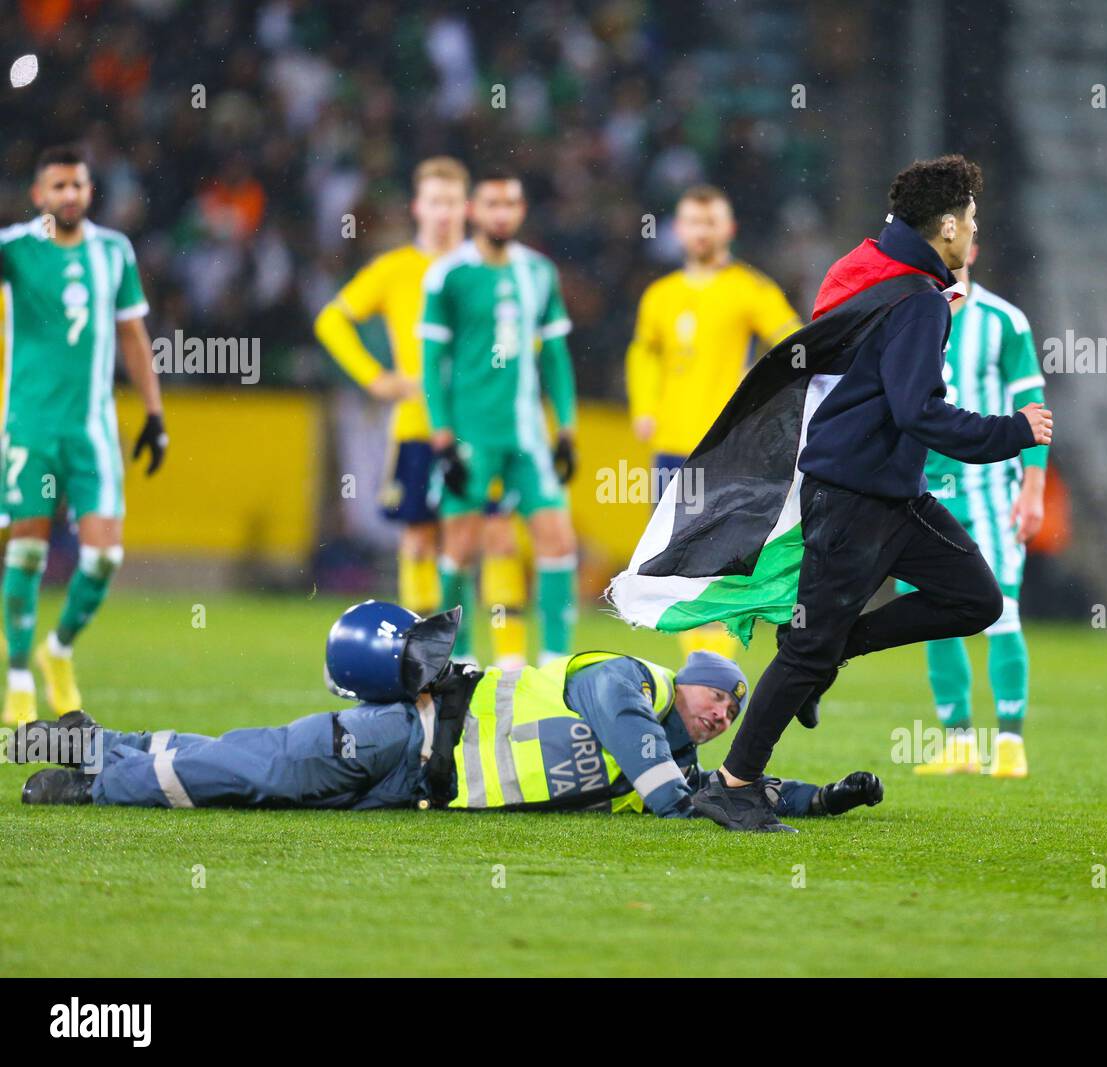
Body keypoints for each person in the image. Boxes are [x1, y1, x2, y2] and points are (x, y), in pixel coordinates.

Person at [690, 155, 1052, 831]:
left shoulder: (882, 276)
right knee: (803, 652)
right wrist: (1013, 430)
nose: (976, 232)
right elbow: (919, 411)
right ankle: (733, 784)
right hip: (856, 494)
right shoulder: (918, 301)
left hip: (893, 491)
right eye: (970, 219)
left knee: (974, 596)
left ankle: (841, 645)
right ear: (945, 226)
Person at [14, 601, 883, 825]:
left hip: (414, 789)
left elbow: (735, 787)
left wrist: (818, 797)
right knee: (260, 768)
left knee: (254, 775)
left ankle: (95, 743)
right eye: (721, 697)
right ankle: (88, 784)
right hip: (416, 727)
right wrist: (667, 790)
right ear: (688, 676)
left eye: (734, 708)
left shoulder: (677, 759)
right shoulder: (629, 678)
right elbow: (621, 721)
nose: (725, 715)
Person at [313, 158, 529, 664]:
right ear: (418, 207)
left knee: (495, 533)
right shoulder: (395, 270)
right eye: (434, 202)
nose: (443, 213)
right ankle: (431, 661)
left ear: (467, 208)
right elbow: (332, 321)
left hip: (482, 427)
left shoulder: (489, 267)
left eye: (452, 203)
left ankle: (511, 665)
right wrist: (376, 378)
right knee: (419, 538)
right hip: (416, 426)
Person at [0, 145, 167, 727]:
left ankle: (58, 650)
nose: (69, 195)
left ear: (90, 191)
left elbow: (132, 337)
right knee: (26, 548)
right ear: (39, 195)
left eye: (78, 185)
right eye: (58, 186)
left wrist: (154, 414)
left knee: (104, 554)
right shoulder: (16, 249)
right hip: (29, 424)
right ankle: (18, 675)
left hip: (92, 428)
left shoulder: (113, 252)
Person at [625, 184, 801, 662]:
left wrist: (765, 381)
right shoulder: (660, 295)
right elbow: (643, 352)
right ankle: (696, 659)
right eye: (692, 222)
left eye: (711, 222)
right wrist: (643, 406)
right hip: (672, 443)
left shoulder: (749, 288)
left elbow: (793, 343)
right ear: (679, 230)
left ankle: (716, 659)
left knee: (725, 556)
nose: (701, 231)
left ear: (729, 229)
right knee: (675, 555)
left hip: (729, 446)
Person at [419, 169, 580, 666]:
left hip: (528, 437)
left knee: (557, 539)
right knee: (461, 546)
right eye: (492, 204)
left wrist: (567, 428)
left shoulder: (539, 272)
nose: (502, 213)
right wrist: (442, 438)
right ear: (473, 211)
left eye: (511, 203)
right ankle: (458, 660)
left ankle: (555, 664)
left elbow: (554, 354)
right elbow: (431, 363)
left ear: (521, 211)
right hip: (471, 434)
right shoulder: (448, 275)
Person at [902, 241, 1048, 779]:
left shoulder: (1004, 322)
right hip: (919, 490)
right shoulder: (908, 313)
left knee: (1001, 609)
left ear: (974, 244)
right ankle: (959, 741)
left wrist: (1033, 488)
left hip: (990, 489)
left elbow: (1033, 408)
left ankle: (1010, 742)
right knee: (931, 616)